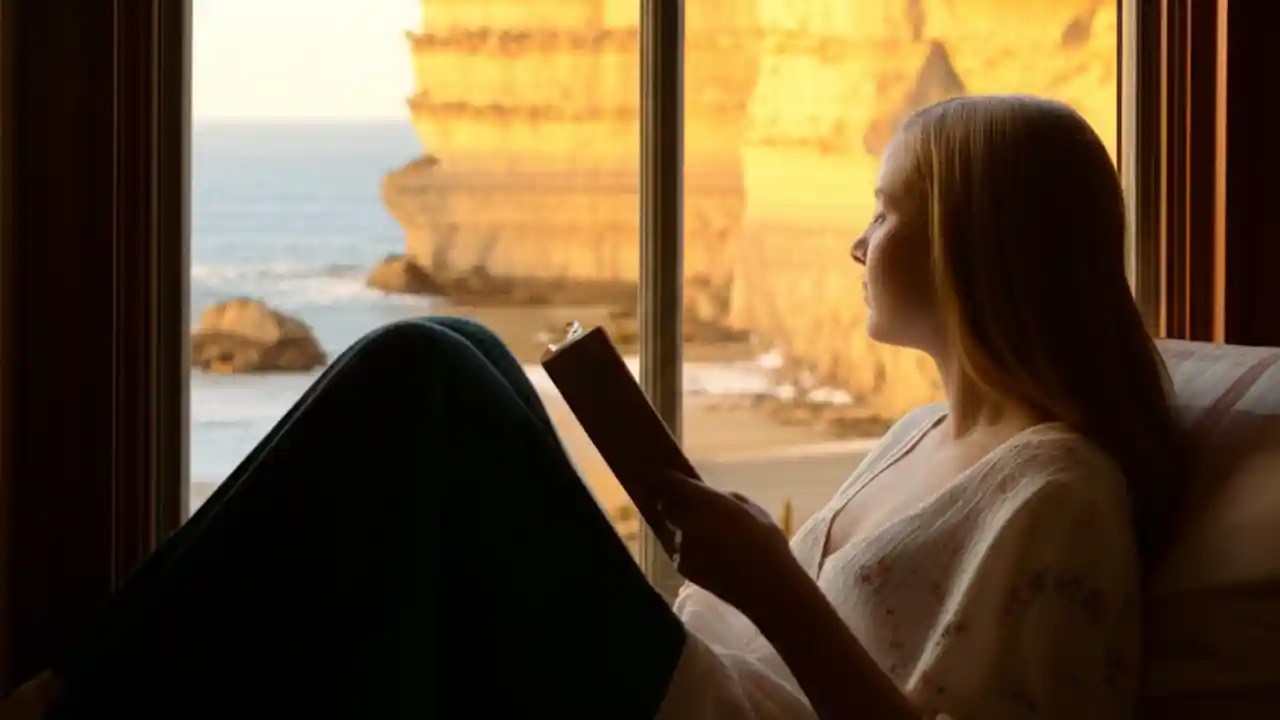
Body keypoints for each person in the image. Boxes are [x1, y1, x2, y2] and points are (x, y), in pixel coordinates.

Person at [20, 94, 1180, 719]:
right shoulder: (922, 432)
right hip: (685, 671)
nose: (854, 242)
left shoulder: (1058, 492)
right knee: (463, 344)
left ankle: (82, 694)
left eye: (884, 213)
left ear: (976, 246)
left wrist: (769, 582)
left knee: (418, 372)